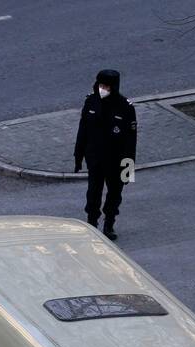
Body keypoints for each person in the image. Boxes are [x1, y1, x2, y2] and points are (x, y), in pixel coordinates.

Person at [74, 69, 137, 241]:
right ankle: (92, 222)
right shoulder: (91, 102)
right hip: (95, 159)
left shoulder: (125, 107)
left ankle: (109, 224)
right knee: (93, 192)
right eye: (100, 85)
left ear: (114, 87)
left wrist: (128, 170)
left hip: (116, 161)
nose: (102, 89)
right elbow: (83, 131)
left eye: (106, 87)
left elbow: (131, 142)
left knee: (114, 194)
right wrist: (78, 156)